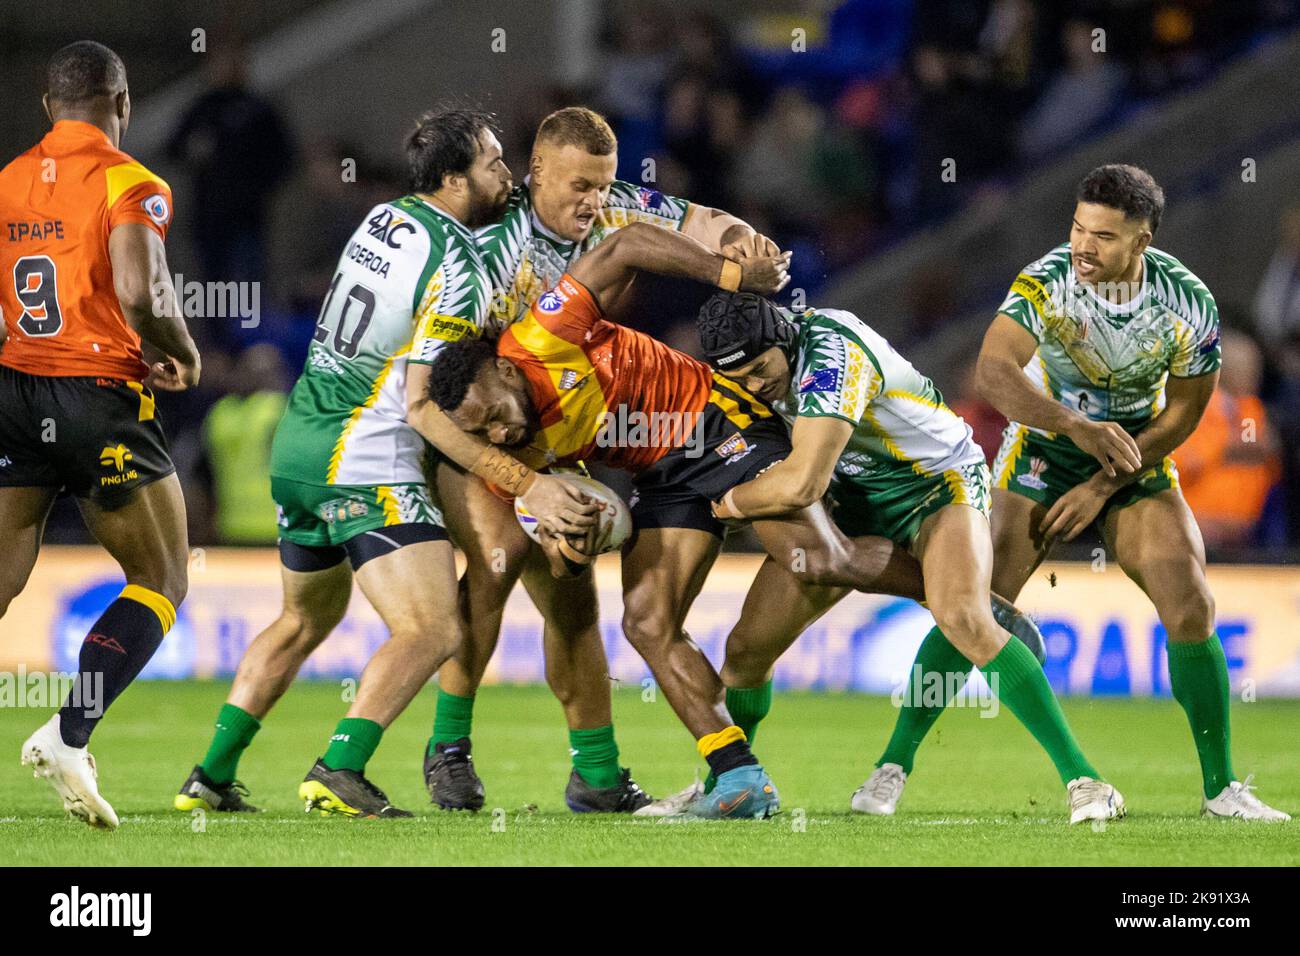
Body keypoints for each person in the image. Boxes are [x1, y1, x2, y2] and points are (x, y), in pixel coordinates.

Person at [428, 221, 1044, 819]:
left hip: (722, 425)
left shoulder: (543, 336)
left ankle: (985, 610)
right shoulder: (517, 453)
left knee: (819, 559)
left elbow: (625, 245)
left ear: (505, 370)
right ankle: (738, 774)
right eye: (479, 432)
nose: (497, 433)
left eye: (494, 414)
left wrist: (726, 273)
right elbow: (563, 557)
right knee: (645, 621)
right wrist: (575, 542)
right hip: (660, 476)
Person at [175, 109, 595, 818]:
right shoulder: (456, 270)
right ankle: (340, 768)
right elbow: (424, 408)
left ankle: (209, 776)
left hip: (300, 440)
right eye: (494, 163)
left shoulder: (388, 219)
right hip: (362, 456)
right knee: (433, 629)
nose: (508, 174)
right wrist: (529, 483)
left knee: (301, 621)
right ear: (456, 178)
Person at [878, 164, 1290, 821]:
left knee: (1190, 602)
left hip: (1132, 456)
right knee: (976, 605)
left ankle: (1221, 789)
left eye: (1103, 235)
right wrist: (1072, 425)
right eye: (1077, 227)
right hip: (1045, 447)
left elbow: (1182, 416)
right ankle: (892, 766)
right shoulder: (1048, 281)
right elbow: (993, 370)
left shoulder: (1187, 303)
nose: (1083, 246)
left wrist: (1104, 484)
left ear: (1142, 242)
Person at [423, 106, 792, 813]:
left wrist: (747, 250)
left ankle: (596, 775)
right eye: (577, 187)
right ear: (534, 173)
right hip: (477, 416)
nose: (591, 203)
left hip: (569, 425)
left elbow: (701, 221)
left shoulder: (613, 206)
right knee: (496, 560)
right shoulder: (485, 226)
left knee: (573, 592)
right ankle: (448, 746)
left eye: (602, 186)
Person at [685, 292, 1122, 824]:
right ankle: (730, 784)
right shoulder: (748, 373)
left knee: (961, 618)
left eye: (759, 370)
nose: (754, 386)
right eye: (742, 379)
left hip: (935, 485)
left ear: (782, 339)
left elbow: (801, 483)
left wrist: (728, 503)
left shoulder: (832, 357)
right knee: (747, 651)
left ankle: (1087, 781)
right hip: (852, 499)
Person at [1, 41, 201, 829]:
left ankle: (70, 735)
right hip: (97, 394)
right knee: (162, 577)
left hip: (15, 386)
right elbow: (141, 289)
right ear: (121, 103)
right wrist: (179, 350)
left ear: (50, 107)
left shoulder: (11, 179)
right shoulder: (131, 181)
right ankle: (69, 731)